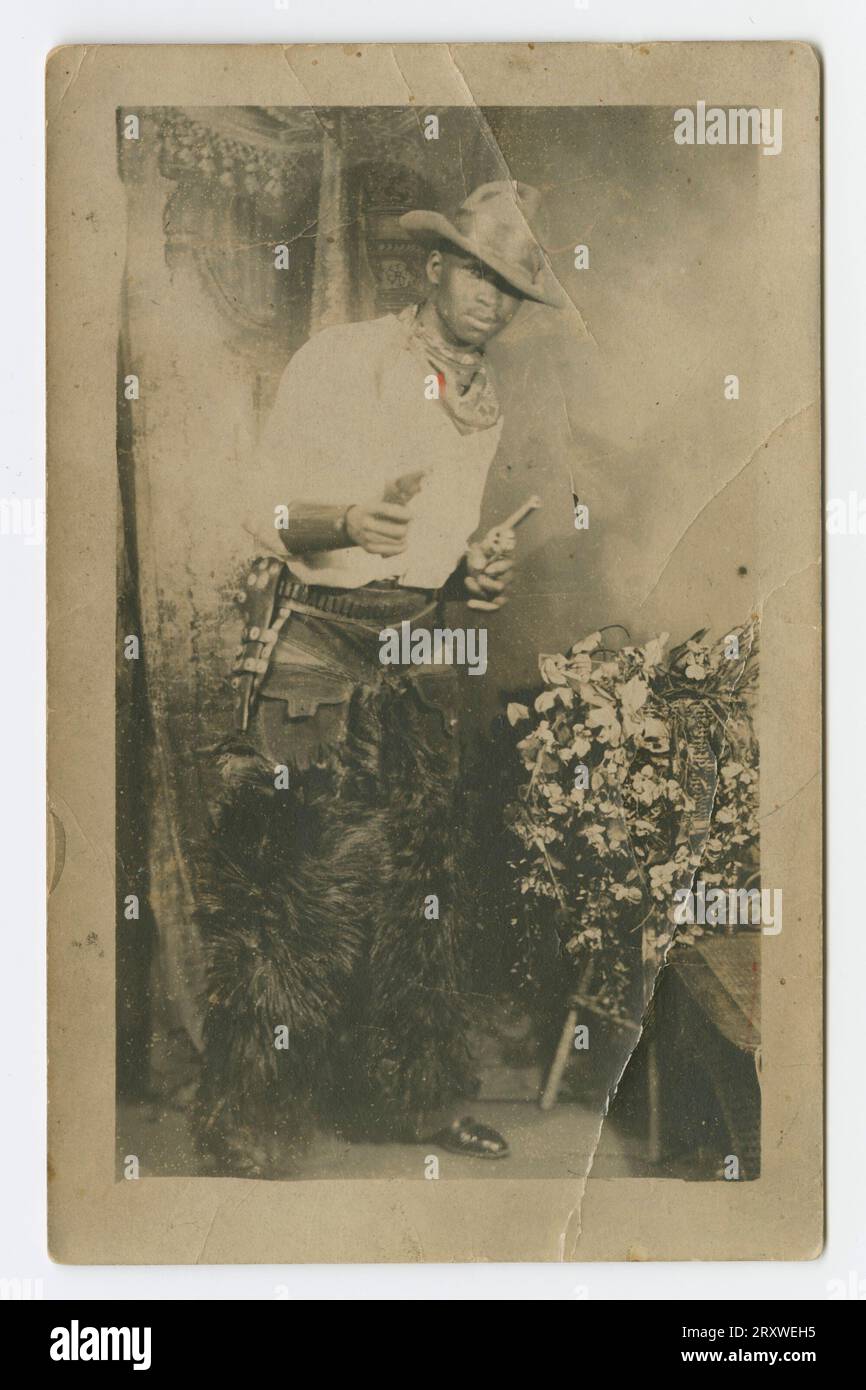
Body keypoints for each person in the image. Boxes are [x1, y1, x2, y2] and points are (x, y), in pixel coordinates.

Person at [194, 181, 563, 1178]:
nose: (488, 299)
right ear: (433, 265)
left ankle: (403, 1103)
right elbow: (260, 511)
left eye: (507, 288)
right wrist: (345, 520)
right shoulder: (344, 357)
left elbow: (430, 556)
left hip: (415, 642)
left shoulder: (478, 403)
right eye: (474, 273)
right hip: (318, 635)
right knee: (294, 884)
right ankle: (248, 1119)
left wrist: (468, 576)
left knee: (418, 882)